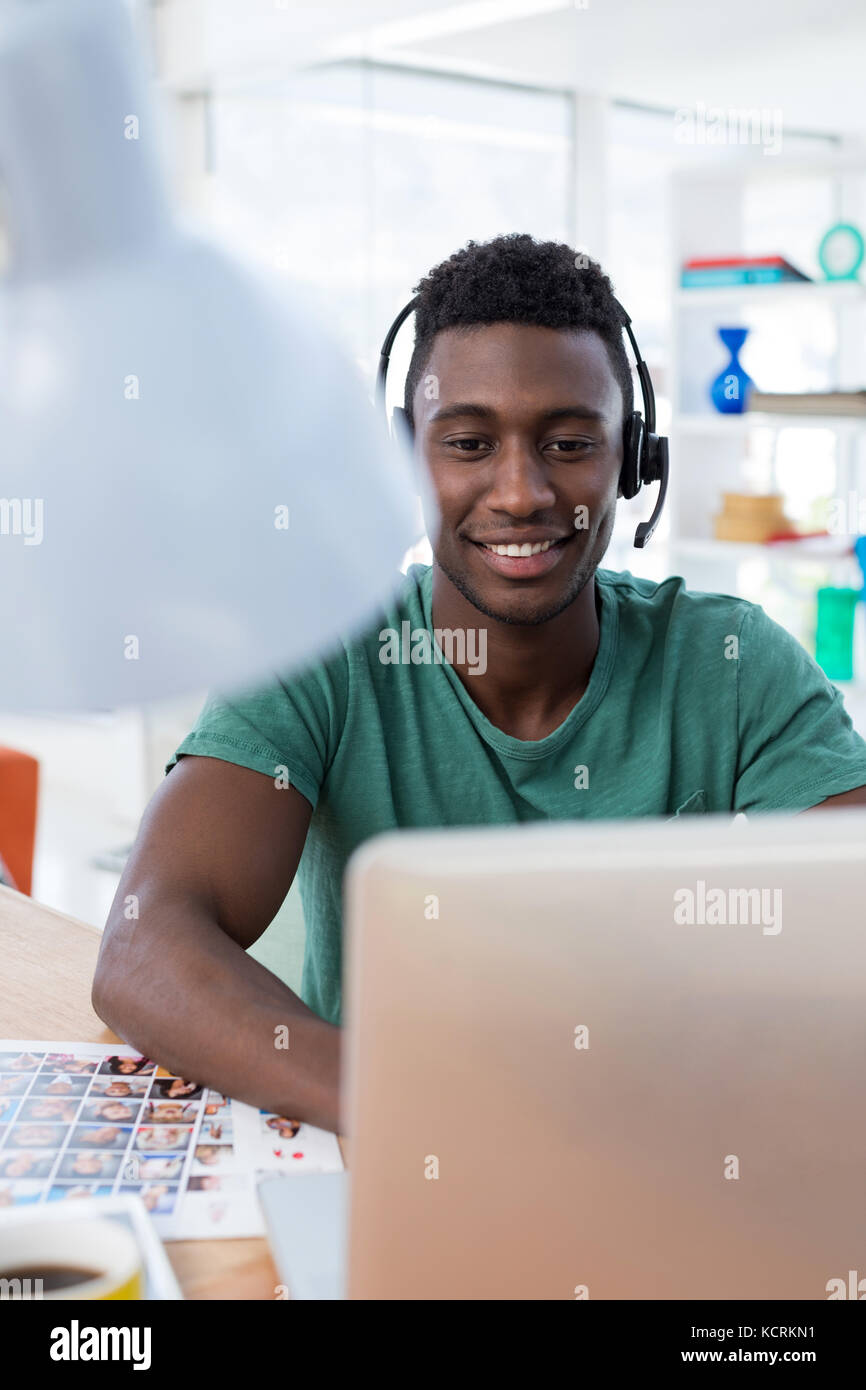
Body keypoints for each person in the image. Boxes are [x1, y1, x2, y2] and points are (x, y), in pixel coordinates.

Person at [93, 234, 866, 1135]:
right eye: (466, 442)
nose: (520, 493)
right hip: (392, 1164)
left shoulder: (737, 668)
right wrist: (437, 1113)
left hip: (671, 1155)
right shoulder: (324, 652)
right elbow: (143, 946)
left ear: (633, 462)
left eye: (570, 442)